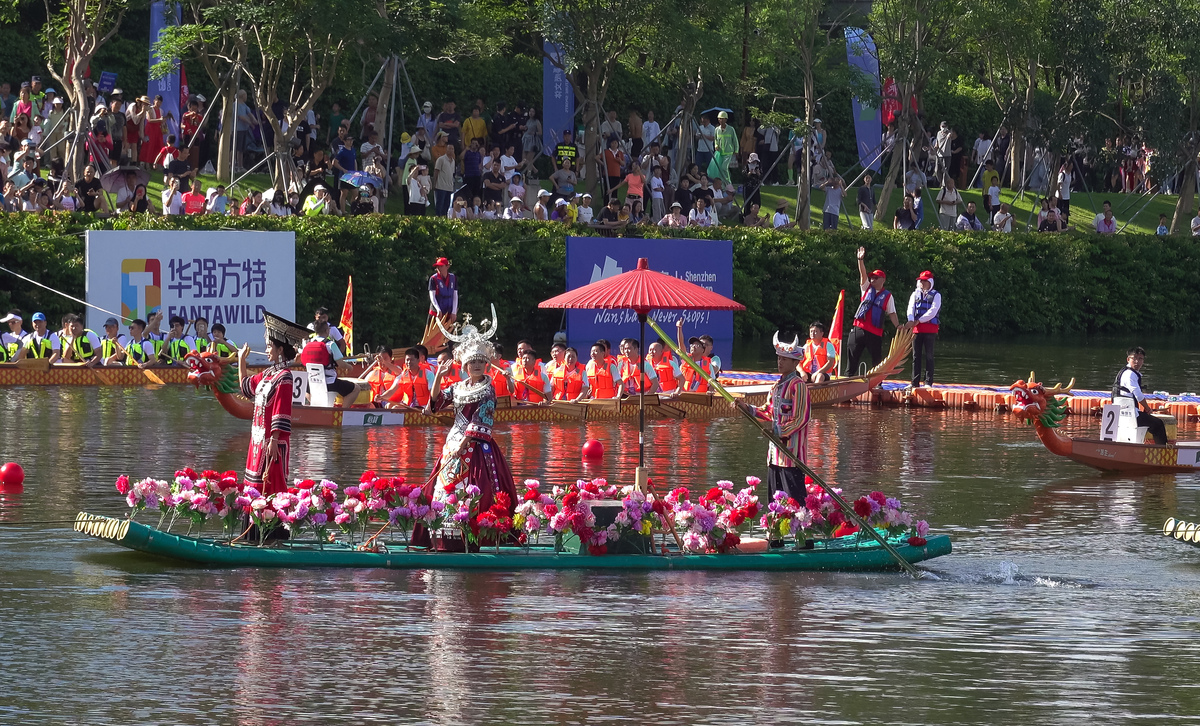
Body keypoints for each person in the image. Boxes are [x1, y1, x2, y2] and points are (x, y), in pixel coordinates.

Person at [414, 315, 518, 548]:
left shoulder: (488, 389)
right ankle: (443, 537)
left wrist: (465, 442)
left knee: (481, 489)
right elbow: (435, 405)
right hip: (453, 443)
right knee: (443, 487)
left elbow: (483, 417)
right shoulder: (458, 388)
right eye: (472, 363)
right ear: (465, 366)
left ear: (486, 364)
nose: (477, 366)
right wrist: (438, 377)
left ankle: (478, 537)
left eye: (481, 361)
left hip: (478, 446)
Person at [736, 333, 810, 504]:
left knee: (795, 505)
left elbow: (801, 418)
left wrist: (778, 431)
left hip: (791, 456)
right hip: (774, 456)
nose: (780, 362)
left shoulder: (799, 387)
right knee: (774, 504)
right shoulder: (776, 387)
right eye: (779, 358)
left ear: (795, 363)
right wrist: (746, 408)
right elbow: (768, 412)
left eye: (785, 359)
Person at [238, 315, 300, 495]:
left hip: (273, 443)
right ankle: (253, 521)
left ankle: (271, 522)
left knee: (270, 487)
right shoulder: (268, 374)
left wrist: (273, 439)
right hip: (257, 442)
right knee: (253, 487)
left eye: (269, 346)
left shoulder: (285, 376)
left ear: (280, 349)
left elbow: (281, 411)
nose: (266, 350)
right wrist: (241, 360)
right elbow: (246, 388)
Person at [846, 247, 900, 376]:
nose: (872, 280)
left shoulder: (888, 296)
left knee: (877, 361)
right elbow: (862, 274)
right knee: (852, 359)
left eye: (876, 278)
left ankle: (878, 382)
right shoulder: (866, 288)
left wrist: (898, 326)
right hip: (859, 329)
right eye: (872, 278)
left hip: (875, 333)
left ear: (883, 280)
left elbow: (892, 313)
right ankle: (847, 381)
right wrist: (860, 260)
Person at [1112, 346, 1167, 446]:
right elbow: (1139, 396)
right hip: (1130, 415)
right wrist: (1147, 408)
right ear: (1128, 359)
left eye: (1140, 359)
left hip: (1120, 414)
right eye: (1134, 358)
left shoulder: (1123, 372)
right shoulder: (1130, 374)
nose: (1137, 362)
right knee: (1158, 424)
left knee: (1149, 421)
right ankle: (1163, 454)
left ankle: (1140, 445)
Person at [301, 320, 358, 403]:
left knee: (306, 391)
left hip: (312, 383)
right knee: (356, 389)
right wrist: (349, 367)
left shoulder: (308, 344)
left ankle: (315, 406)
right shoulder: (330, 344)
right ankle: (342, 413)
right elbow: (341, 364)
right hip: (329, 383)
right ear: (327, 330)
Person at [905, 270, 941, 390]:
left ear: (930, 282)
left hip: (930, 329)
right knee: (916, 356)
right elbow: (910, 308)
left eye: (925, 281)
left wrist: (919, 320)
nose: (922, 283)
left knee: (929, 355)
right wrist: (911, 320)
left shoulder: (936, 295)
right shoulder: (915, 294)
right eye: (921, 281)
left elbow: (933, 311)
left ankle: (928, 382)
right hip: (917, 329)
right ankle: (914, 382)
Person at [711, 110, 738, 187]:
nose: (721, 120)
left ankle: (729, 184)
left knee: (724, 167)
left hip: (728, 152)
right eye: (720, 118)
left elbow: (735, 140)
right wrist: (716, 145)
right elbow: (715, 139)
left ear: (726, 119)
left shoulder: (731, 129)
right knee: (720, 169)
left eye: (723, 118)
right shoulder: (717, 129)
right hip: (720, 153)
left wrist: (736, 150)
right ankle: (722, 185)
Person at [428, 257, 458, 324]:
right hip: (437, 313)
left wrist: (454, 311)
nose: (438, 268)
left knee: (449, 333)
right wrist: (438, 310)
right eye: (437, 266)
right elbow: (432, 297)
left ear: (447, 266)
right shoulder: (433, 279)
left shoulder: (453, 278)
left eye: (441, 266)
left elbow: (455, 295)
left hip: (449, 312)